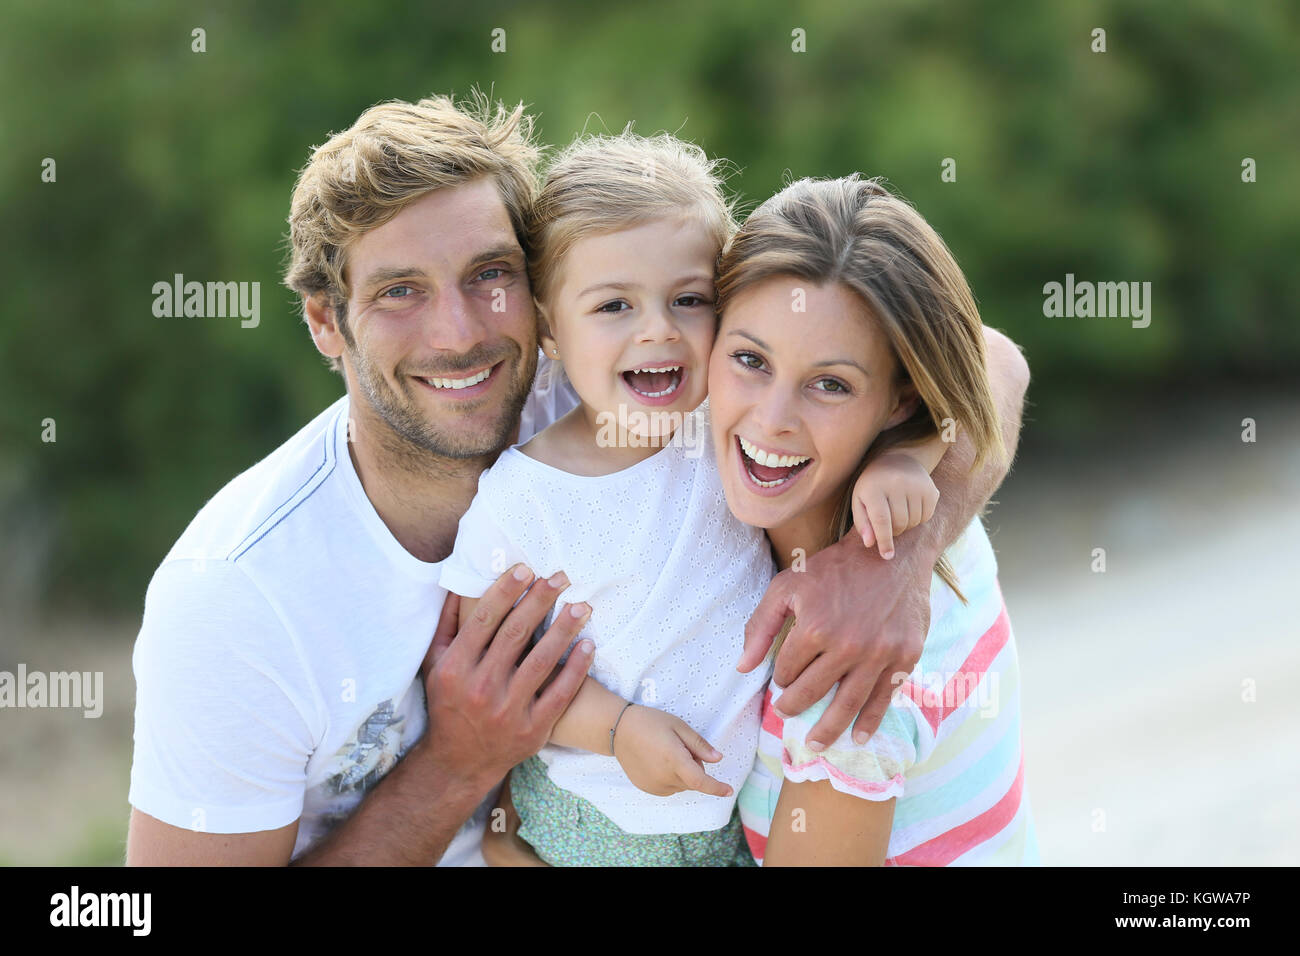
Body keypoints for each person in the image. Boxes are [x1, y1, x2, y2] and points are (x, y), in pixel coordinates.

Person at [124, 91, 1028, 866]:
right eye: (399, 291)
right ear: (326, 321)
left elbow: (982, 358)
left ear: (538, 298)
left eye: (490, 276)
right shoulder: (234, 602)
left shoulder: (614, 386)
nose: (458, 334)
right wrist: (460, 762)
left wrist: (895, 563)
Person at [439, 132, 943, 866]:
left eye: (689, 300)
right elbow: (479, 672)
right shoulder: (523, 496)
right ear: (548, 328)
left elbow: (942, 401)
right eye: (614, 305)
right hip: (589, 821)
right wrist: (614, 730)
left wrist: (907, 460)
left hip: (727, 824)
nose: (658, 330)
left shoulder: (735, 425)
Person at [718, 175, 1039, 865]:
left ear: (901, 402)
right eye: (750, 359)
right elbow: (993, 358)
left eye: (830, 384)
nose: (771, 420)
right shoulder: (919, 496)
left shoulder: (848, 674)